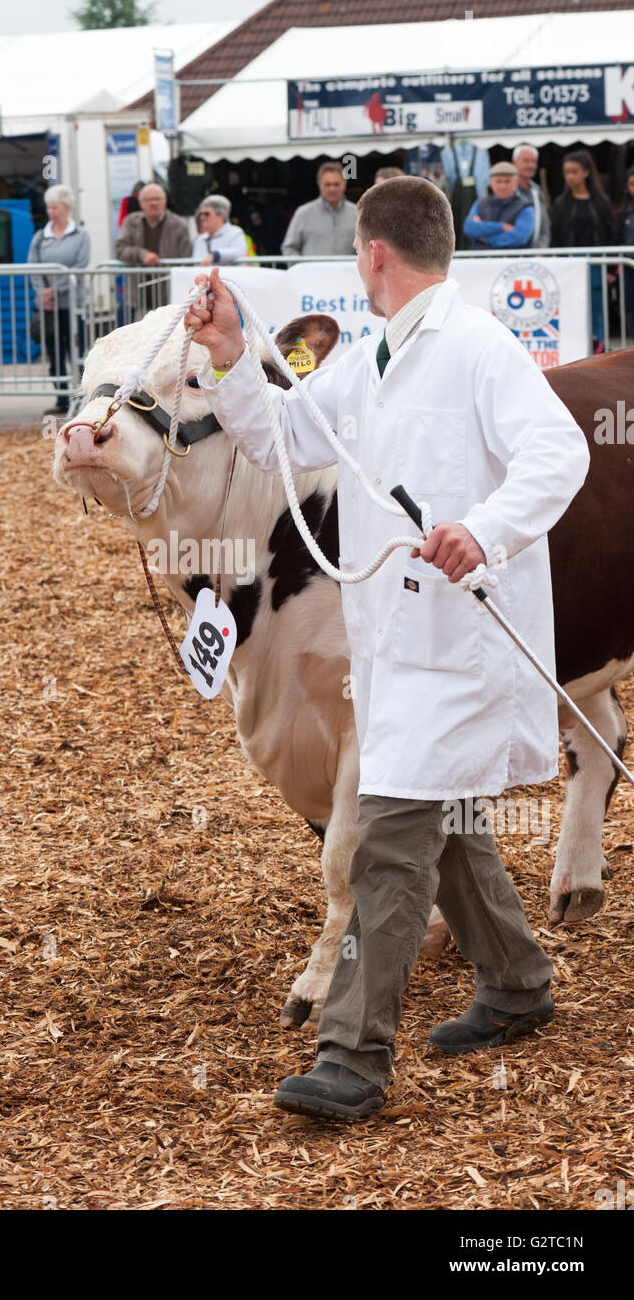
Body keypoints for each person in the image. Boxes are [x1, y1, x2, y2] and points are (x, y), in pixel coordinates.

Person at [184, 175, 590, 1123]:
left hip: (458, 645)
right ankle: (518, 982)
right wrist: (234, 350)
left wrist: (482, 531)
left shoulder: (480, 349)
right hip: (396, 646)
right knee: (440, 821)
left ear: (372, 253)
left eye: (359, 258)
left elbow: (559, 453)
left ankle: (353, 1056)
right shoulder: (367, 358)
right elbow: (280, 432)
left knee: (388, 845)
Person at [27, 184, 90, 417]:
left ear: (67, 208)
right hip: (49, 306)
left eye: (56, 207)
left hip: (73, 303)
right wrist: (43, 292)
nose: (51, 211)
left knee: (79, 351)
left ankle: (83, 396)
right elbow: (32, 267)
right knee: (54, 353)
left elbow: (80, 266)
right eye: (49, 207)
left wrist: (56, 290)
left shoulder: (81, 236)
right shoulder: (40, 237)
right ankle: (61, 398)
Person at [550, 148, 615, 350]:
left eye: (574, 171)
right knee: (573, 310)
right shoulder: (560, 204)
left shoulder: (602, 202)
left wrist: (612, 270)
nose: (569, 176)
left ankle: (599, 349)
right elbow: (556, 238)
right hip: (570, 265)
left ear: (586, 172)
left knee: (597, 311)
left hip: (597, 264)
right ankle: (576, 351)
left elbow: (611, 235)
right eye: (566, 172)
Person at [115, 183, 191, 314]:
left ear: (165, 201)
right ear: (141, 203)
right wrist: (141, 255)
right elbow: (120, 249)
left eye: (158, 199)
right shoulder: (130, 222)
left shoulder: (179, 225)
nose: (154, 203)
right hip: (136, 298)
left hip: (168, 299)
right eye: (149, 200)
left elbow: (186, 260)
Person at [281, 162, 357, 257]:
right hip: (311, 272)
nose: (332, 189)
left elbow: (365, 249)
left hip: (347, 272)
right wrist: (301, 270)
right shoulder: (303, 213)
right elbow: (289, 248)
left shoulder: (357, 214)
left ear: (344, 185)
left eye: (336, 184)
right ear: (319, 185)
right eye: (327, 185)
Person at [462, 160, 534, 249]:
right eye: (498, 181)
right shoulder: (480, 203)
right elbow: (469, 228)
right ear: (491, 183)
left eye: (507, 181)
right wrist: (502, 227)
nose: (502, 186)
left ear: (516, 183)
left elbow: (520, 237)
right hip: (480, 260)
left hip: (511, 260)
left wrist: (485, 239)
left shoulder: (525, 207)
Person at [191, 195, 248, 266]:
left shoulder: (235, 232)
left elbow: (239, 251)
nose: (202, 217)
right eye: (201, 214)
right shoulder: (199, 240)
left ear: (221, 216)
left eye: (206, 214)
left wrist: (215, 255)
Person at [513, 144, 550, 248]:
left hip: (535, 257)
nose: (530, 165)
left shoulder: (537, 191)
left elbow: (544, 228)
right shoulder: (507, 190)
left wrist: (541, 252)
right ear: (514, 163)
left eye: (533, 161)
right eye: (525, 161)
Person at [618, 164, 634, 344]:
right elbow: (617, 237)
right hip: (629, 267)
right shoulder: (624, 214)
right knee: (630, 306)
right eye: (631, 184)